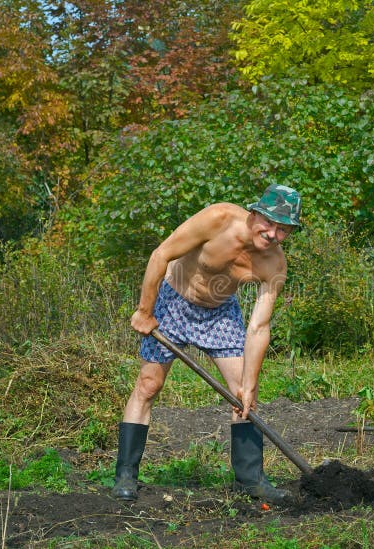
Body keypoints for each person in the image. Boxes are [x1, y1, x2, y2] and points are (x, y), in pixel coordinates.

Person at [111, 184, 301, 505]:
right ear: (254, 213)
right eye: (269, 222)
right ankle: (126, 474)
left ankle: (250, 480)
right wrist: (145, 310)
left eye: (283, 229)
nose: (272, 234)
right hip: (173, 302)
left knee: (244, 395)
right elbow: (161, 254)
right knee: (148, 384)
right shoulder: (218, 218)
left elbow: (259, 327)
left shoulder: (275, 265)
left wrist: (250, 384)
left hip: (219, 313)